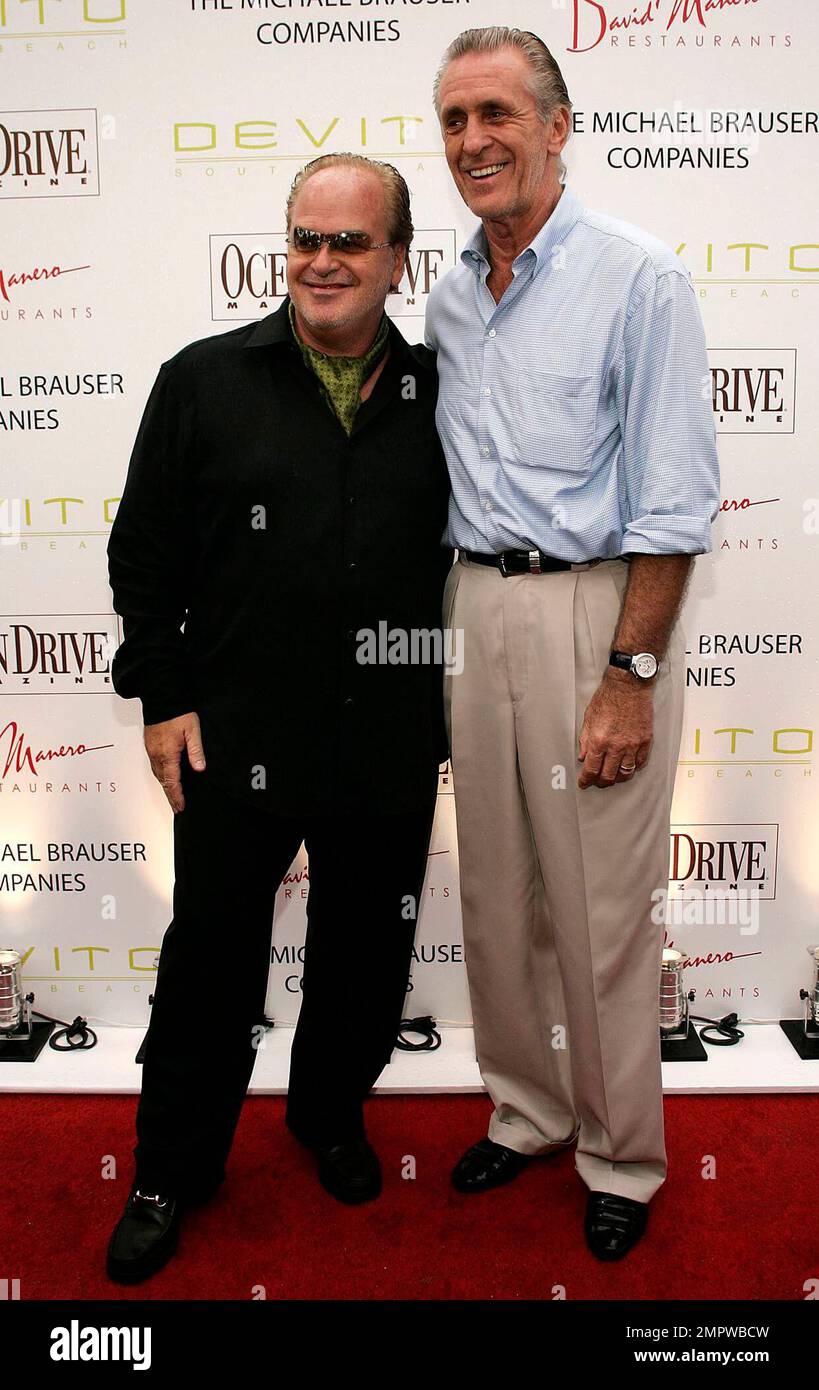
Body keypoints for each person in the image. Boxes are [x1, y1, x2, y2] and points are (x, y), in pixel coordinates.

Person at [105, 153, 452, 1283]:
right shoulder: (203, 380)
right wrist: (163, 693)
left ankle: (328, 1117)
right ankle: (169, 1170)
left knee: (365, 950)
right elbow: (144, 556)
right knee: (208, 961)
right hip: (235, 734)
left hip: (388, 733)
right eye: (305, 237)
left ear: (401, 257)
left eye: (351, 241)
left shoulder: (447, 393)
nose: (322, 260)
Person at [426, 26, 720, 1260]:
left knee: (601, 910)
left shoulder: (637, 275)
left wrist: (631, 675)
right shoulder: (447, 290)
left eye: (498, 112)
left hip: (593, 612)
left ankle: (622, 1155)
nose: (474, 140)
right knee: (496, 896)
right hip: (470, 605)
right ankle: (529, 1109)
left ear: (557, 125)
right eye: (452, 120)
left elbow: (674, 501)